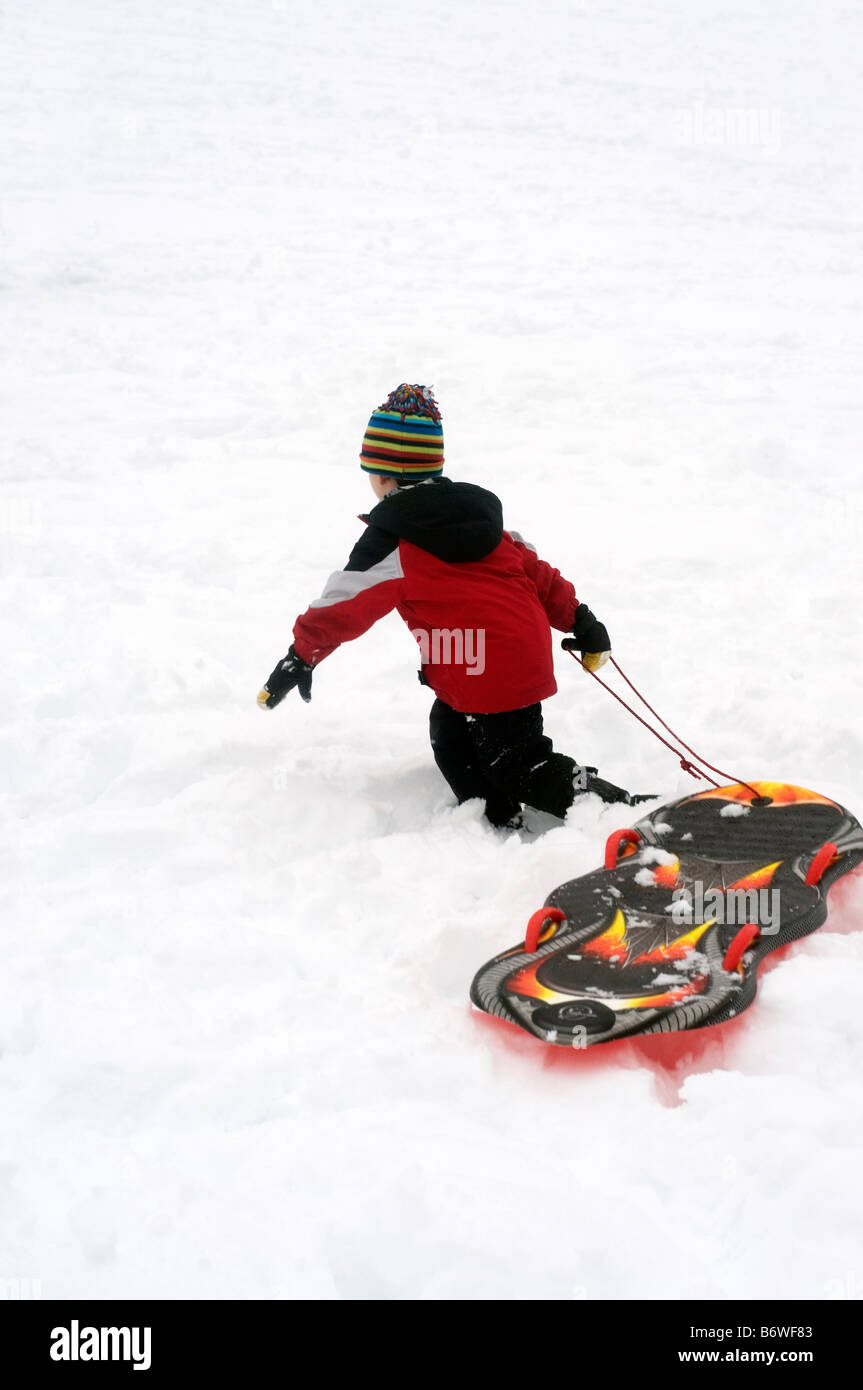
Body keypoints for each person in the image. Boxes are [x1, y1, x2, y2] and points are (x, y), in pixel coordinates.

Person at [257, 383, 648, 827]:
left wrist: (300, 655)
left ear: (383, 476)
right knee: (452, 736)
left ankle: (624, 811)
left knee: (521, 764)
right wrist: (582, 620)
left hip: (491, 669)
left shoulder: (394, 540)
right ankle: (495, 815)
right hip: (497, 660)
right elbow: (537, 573)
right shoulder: (479, 522)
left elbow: (344, 602)